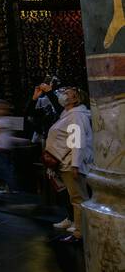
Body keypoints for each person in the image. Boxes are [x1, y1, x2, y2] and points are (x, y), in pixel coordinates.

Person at [45, 86, 94, 243]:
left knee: (78, 199)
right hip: (66, 163)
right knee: (77, 198)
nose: (63, 95)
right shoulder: (68, 114)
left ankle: (80, 234)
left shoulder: (76, 116)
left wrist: (75, 164)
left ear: (75, 99)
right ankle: (83, 231)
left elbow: (77, 141)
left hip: (71, 165)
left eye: (67, 94)